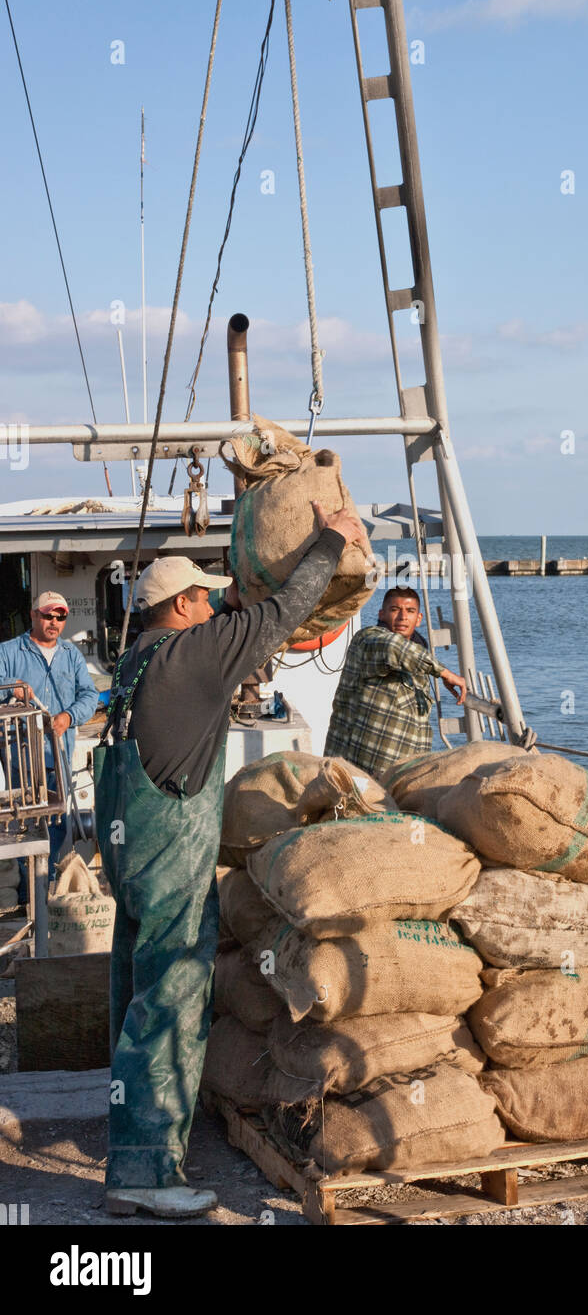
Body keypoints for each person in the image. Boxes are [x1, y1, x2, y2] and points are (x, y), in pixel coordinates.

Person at [94, 502, 365, 1220]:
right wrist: (333, 536)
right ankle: (145, 1174)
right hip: (167, 860)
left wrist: (230, 589)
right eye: (203, 598)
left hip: (129, 856)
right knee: (171, 1003)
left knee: (135, 997)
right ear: (183, 606)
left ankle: (133, 1141)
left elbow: (239, 605)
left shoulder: (139, 659)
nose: (213, 606)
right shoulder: (197, 656)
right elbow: (286, 611)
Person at [0, 592, 98, 897]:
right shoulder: (8, 651)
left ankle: (43, 893)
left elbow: (90, 695)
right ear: (33, 615)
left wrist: (68, 717)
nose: (54, 622)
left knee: (56, 826)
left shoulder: (71, 655)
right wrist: (12, 691)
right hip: (20, 762)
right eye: (47, 615)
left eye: (60, 617)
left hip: (59, 760)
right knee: (20, 829)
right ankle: (25, 894)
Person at [324, 585, 466, 778]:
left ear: (419, 619)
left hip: (397, 774)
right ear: (382, 614)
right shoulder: (367, 640)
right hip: (355, 772)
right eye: (394, 610)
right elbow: (392, 647)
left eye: (410, 611)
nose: (402, 617)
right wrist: (444, 673)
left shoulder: (417, 656)